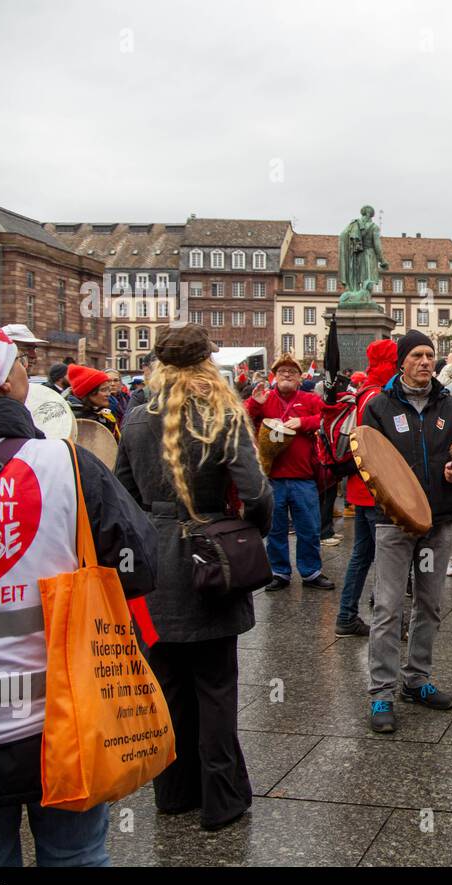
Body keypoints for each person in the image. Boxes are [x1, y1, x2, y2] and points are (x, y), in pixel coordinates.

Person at [0, 312, 157, 865]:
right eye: (17, 361)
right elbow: (140, 565)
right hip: (62, 715)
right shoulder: (66, 464)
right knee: (76, 858)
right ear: (5, 382)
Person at [115, 325, 270, 832]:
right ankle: (221, 800)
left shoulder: (136, 418)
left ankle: (174, 793)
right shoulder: (222, 416)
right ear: (207, 365)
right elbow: (257, 494)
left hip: (156, 563)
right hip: (210, 559)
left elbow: (122, 491)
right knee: (217, 685)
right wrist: (250, 533)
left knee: (170, 685)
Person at [361, 330, 452, 733]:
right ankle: (381, 693)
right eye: (417, 355)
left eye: (430, 355)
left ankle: (417, 680)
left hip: (440, 520)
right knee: (388, 607)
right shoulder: (378, 406)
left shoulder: (450, 405)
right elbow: (367, 458)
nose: (426, 361)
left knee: (429, 605)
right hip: (393, 523)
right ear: (401, 362)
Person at [245, 354, 333, 591]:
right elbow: (243, 419)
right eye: (282, 371)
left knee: (309, 528)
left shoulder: (309, 399)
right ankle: (279, 572)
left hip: (303, 477)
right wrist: (255, 403)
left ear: (300, 378)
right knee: (276, 529)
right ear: (274, 376)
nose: (286, 374)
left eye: (292, 372)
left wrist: (303, 422)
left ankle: (311, 571)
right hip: (272, 478)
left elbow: (325, 419)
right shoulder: (264, 398)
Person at [332, 339, 398, 638]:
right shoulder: (376, 397)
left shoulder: (364, 391)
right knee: (387, 559)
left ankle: (347, 615)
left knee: (362, 555)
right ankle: (388, 620)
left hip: (360, 487)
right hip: (374, 489)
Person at [63, 364, 121, 440]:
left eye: (108, 389)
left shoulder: (104, 415)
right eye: (103, 390)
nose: (108, 394)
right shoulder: (70, 419)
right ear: (88, 393)